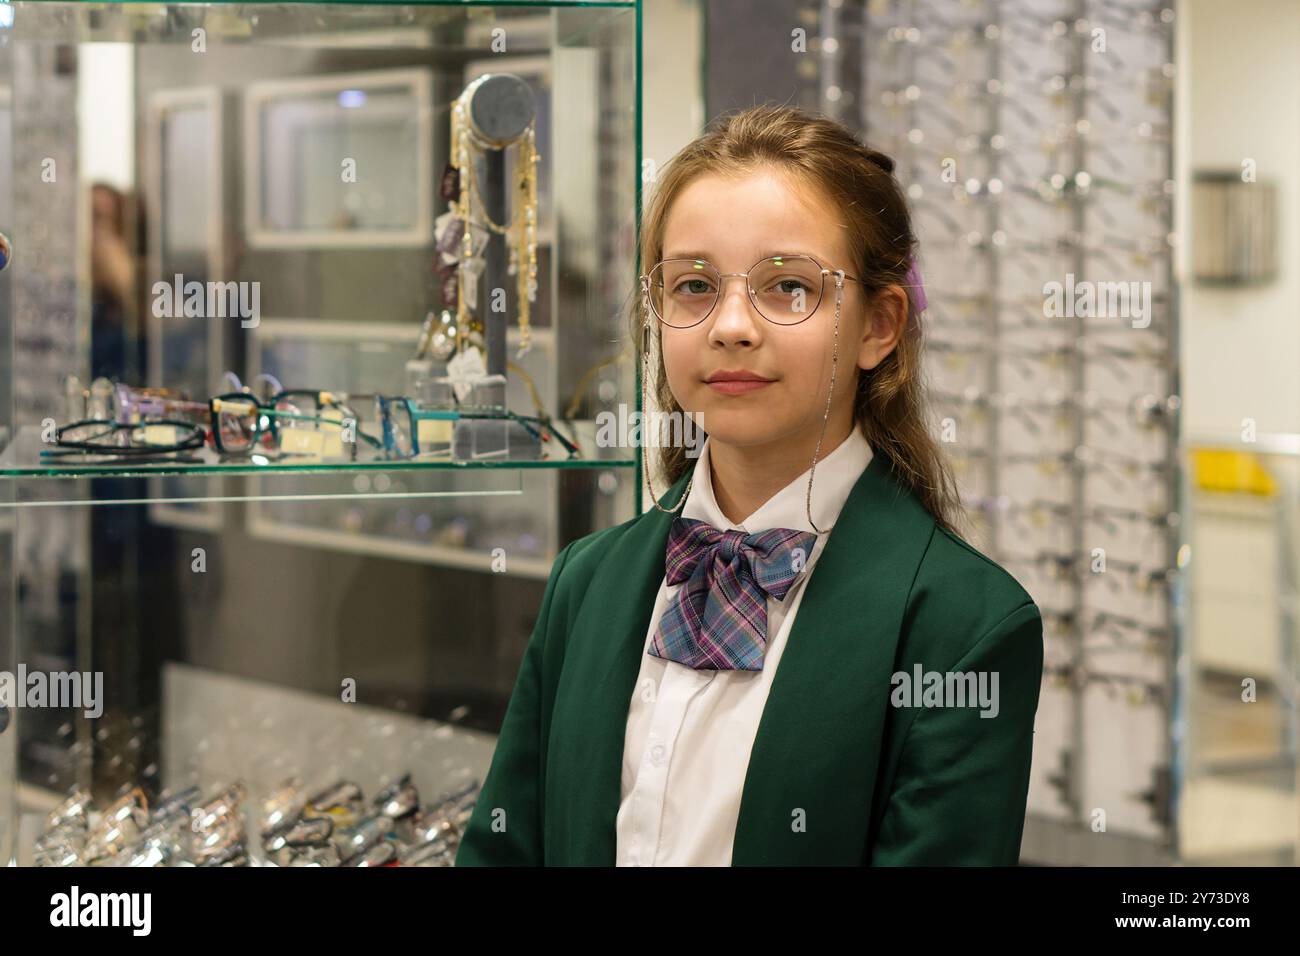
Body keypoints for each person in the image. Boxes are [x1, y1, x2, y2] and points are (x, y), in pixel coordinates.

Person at [455, 104, 1043, 866]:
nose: (730, 325)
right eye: (694, 285)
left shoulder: (965, 627)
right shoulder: (587, 581)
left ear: (878, 326)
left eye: (789, 287)